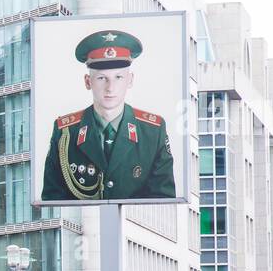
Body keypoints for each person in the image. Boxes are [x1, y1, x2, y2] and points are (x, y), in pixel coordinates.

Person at [40, 30, 176, 201]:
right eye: (101, 78)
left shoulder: (152, 131)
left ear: (130, 80)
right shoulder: (65, 132)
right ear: (88, 82)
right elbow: (52, 199)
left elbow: (164, 200)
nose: (110, 87)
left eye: (118, 77)